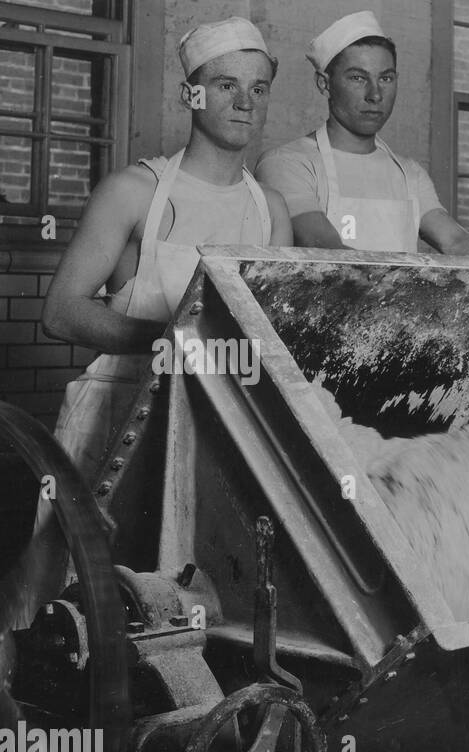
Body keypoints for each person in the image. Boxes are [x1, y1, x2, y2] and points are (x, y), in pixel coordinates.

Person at [4, 17, 292, 640]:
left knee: (183, 603)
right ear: (191, 92)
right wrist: (169, 338)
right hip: (117, 416)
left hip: (215, 430)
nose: (245, 102)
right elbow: (61, 312)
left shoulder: (269, 211)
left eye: (259, 88)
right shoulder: (136, 191)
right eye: (225, 85)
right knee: (69, 595)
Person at [255, 10, 469, 270]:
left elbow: (455, 240)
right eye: (357, 78)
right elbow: (323, 245)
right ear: (324, 84)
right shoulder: (288, 163)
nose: (375, 94)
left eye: (386, 78)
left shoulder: (408, 173)